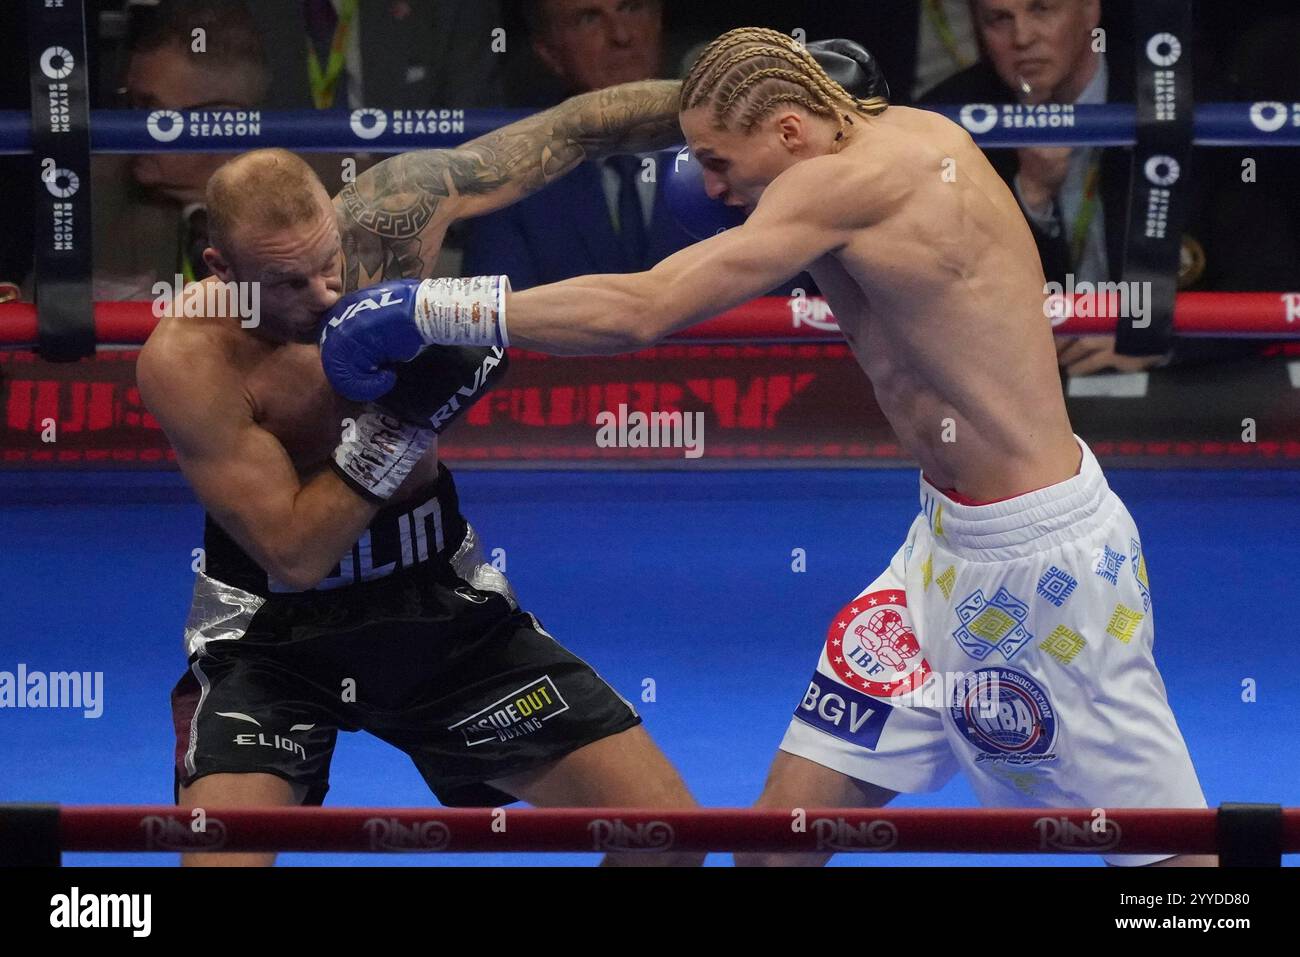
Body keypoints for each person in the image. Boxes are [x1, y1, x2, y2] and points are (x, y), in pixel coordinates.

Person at [321, 28, 1213, 867]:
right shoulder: (891, 133)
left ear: (790, 129)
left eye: (717, 162)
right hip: (938, 551)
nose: (706, 187)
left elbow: (643, 311)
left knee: (1175, 868)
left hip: (1040, 573)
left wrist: (433, 305)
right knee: (778, 837)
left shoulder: (843, 185)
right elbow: (685, 108)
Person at [138, 77, 700, 866]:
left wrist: (749, 86)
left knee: (665, 836)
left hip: (436, 599)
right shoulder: (189, 356)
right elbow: (296, 554)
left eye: (328, 263)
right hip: (272, 634)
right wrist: (407, 418)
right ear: (219, 267)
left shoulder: (390, 222)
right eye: (287, 284)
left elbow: (571, 130)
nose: (326, 292)